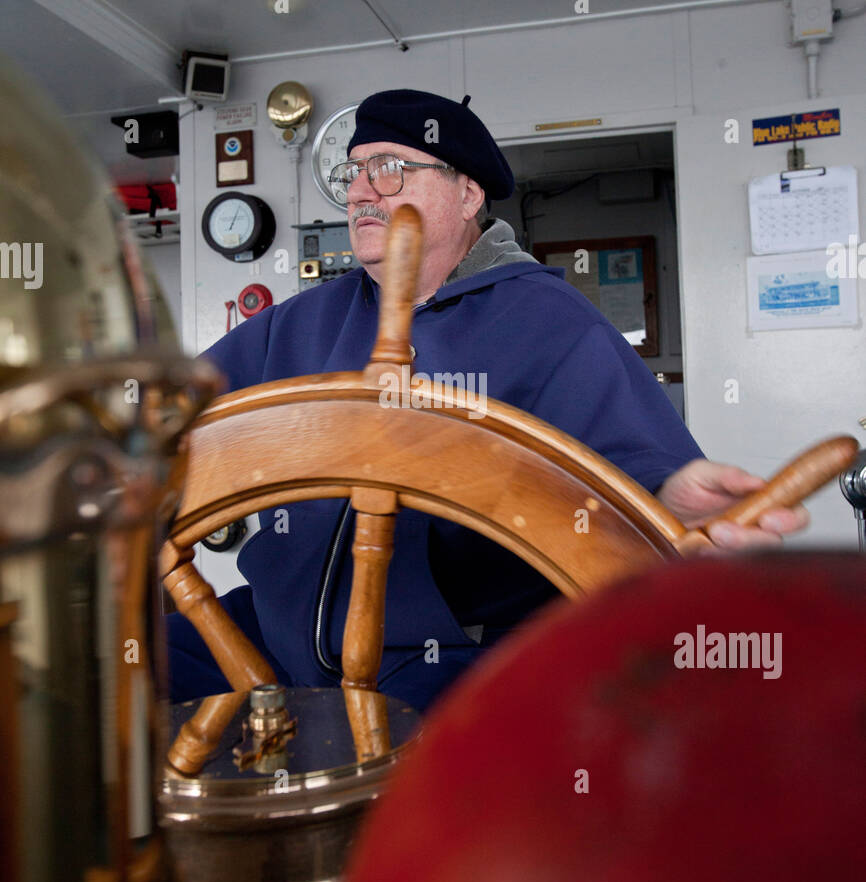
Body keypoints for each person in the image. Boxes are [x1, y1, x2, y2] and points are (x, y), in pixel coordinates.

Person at [167, 88, 807, 710]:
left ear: (467, 192)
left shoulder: (549, 323)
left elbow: (629, 466)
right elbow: (175, 414)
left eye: (389, 169)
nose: (360, 191)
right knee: (110, 672)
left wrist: (668, 500)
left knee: (450, 793)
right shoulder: (300, 321)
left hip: (445, 655)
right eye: (353, 171)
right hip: (271, 633)